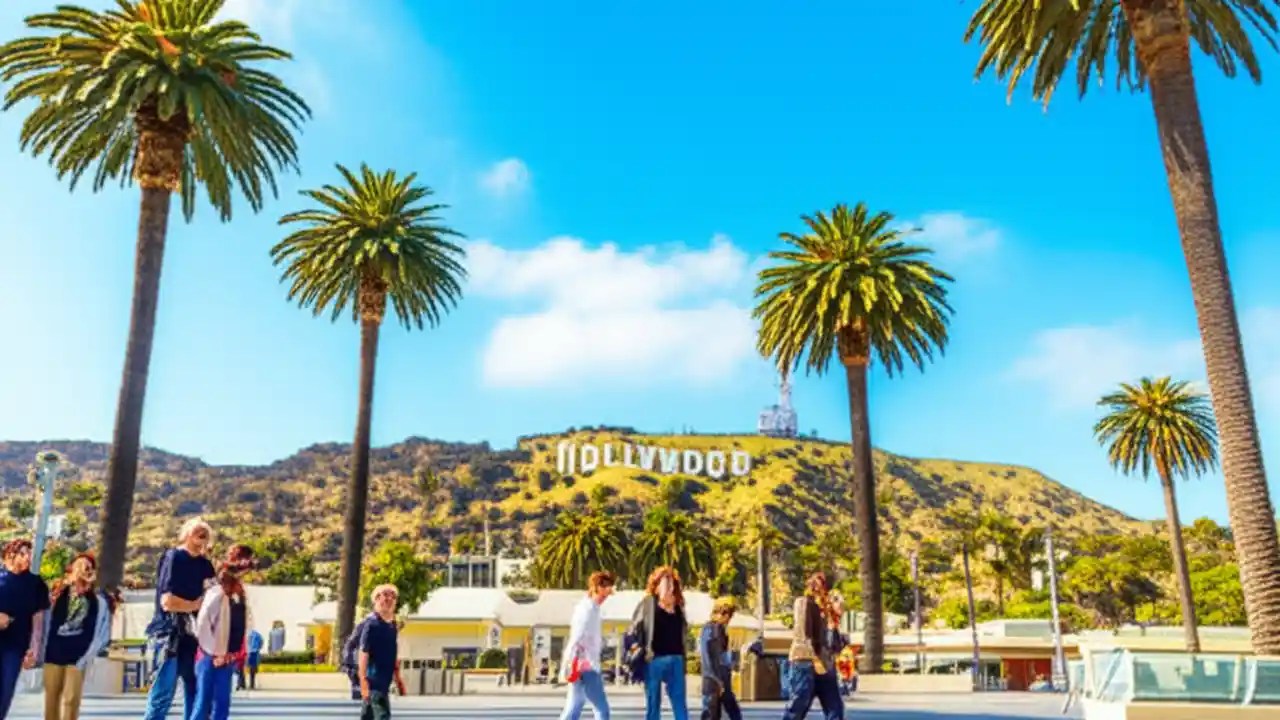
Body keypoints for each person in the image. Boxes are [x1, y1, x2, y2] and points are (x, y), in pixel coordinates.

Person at [144, 518, 216, 720]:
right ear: (185, 534)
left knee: (198, 695)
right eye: (197, 529)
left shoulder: (205, 565)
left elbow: (213, 595)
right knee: (162, 694)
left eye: (206, 532)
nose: (202, 532)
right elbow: (167, 601)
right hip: (169, 634)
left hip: (195, 637)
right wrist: (195, 605)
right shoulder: (174, 557)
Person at [40, 552, 115, 720]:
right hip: (53, 653)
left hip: (78, 656)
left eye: (88, 567)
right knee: (51, 699)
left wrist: (90, 653)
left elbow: (102, 630)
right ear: (71, 569)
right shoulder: (57, 593)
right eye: (80, 565)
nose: (84, 569)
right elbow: (43, 620)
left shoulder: (98, 601)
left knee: (71, 700)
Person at [192, 544, 256, 720]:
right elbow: (203, 625)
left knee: (222, 705)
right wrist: (215, 653)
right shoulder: (216, 594)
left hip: (227, 657)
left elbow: (240, 627)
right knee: (203, 703)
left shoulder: (238, 595)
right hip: (210, 657)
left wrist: (234, 653)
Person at [629, 566, 689, 720]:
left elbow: (682, 634)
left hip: (676, 659)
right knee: (653, 703)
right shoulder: (648, 604)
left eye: (671, 583)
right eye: (665, 583)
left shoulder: (679, 607)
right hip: (654, 659)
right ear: (656, 586)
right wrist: (635, 647)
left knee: (679, 703)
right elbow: (633, 630)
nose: (669, 587)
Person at [781, 572, 842, 720]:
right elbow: (803, 634)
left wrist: (833, 621)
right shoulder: (804, 603)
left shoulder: (825, 612)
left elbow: (836, 647)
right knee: (799, 705)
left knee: (835, 708)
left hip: (825, 664)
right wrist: (814, 659)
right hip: (805, 661)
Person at [0, 539, 50, 718]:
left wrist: (35, 649)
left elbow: (38, 620)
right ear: (9, 556)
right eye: (22, 553)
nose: (27, 557)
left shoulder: (35, 584)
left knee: (5, 691)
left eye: (29, 553)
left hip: (16, 647)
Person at [558, 571, 616, 720]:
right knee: (602, 710)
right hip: (585, 665)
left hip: (582, 664)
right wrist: (568, 663)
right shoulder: (587, 610)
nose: (606, 597)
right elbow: (576, 638)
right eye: (605, 593)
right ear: (596, 587)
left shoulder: (592, 608)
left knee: (574, 707)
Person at [359, 584, 407, 720]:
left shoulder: (392, 626)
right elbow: (363, 653)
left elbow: (392, 655)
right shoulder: (372, 624)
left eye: (393, 596)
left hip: (384, 684)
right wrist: (363, 680)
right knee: (383, 716)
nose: (389, 599)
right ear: (376, 599)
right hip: (373, 683)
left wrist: (398, 679)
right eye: (385, 595)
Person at [698, 598, 742, 720]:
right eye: (727, 615)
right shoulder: (710, 629)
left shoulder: (720, 629)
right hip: (713, 679)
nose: (728, 619)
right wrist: (716, 679)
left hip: (721, 677)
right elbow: (707, 655)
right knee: (712, 712)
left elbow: (721, 654)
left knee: (731, 710)